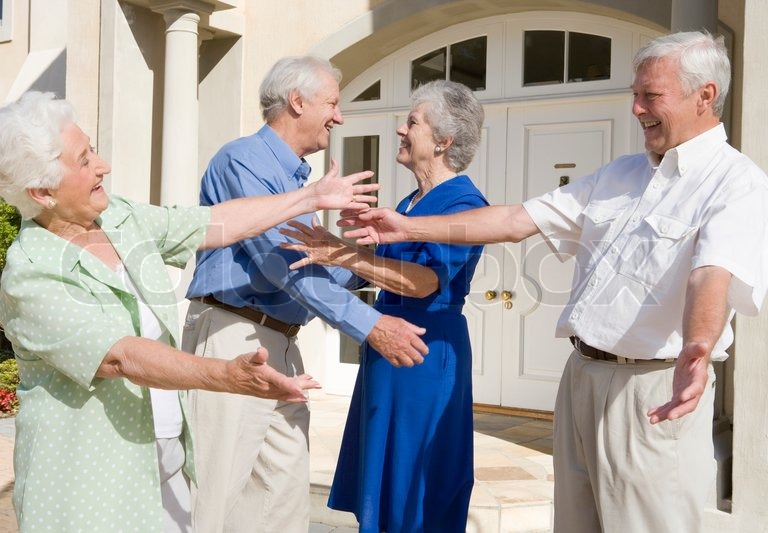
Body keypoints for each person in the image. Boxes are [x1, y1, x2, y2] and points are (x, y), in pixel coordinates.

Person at [338, 31, 768, 533]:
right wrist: (409, 226)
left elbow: (711, 273)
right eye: (634, 94)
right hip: (582, 376)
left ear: (705, 95)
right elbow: (516, 220)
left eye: (650, 96)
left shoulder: (736, 181)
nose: (635, 108)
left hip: (653, 388)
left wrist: (698, 345)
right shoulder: (622, 173)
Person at [0, 91, 378, 533]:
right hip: (87, 488)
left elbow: (211, 223)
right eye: (85, 159)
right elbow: (121, 356)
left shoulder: (118, 218)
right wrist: (229, 376)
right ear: (42, 192)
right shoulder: (32, 274)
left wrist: (309, 197)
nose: (103, 165)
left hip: (161, 464)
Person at [182, 55, 428, 533]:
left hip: (280, 344)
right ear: (297, 102)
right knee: (211, 495)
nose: (339, 117)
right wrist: (371, 326)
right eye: (333, 103)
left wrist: (364, 256)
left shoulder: (296, 179)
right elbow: (283, 264)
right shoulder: (243, 161)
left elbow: (312, 266)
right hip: (235, 336)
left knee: (283, 497)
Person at [280, 79, 488, 532]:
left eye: (412, 122)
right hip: (387, 347)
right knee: (385, 477)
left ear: (443, 142)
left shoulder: (464, 202)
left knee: (416, 482)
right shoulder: (411, 201)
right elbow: (377, 271)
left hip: (425, 352)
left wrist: (342, 253)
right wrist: (343, 246)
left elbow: (424, 283)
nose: (400, 128)